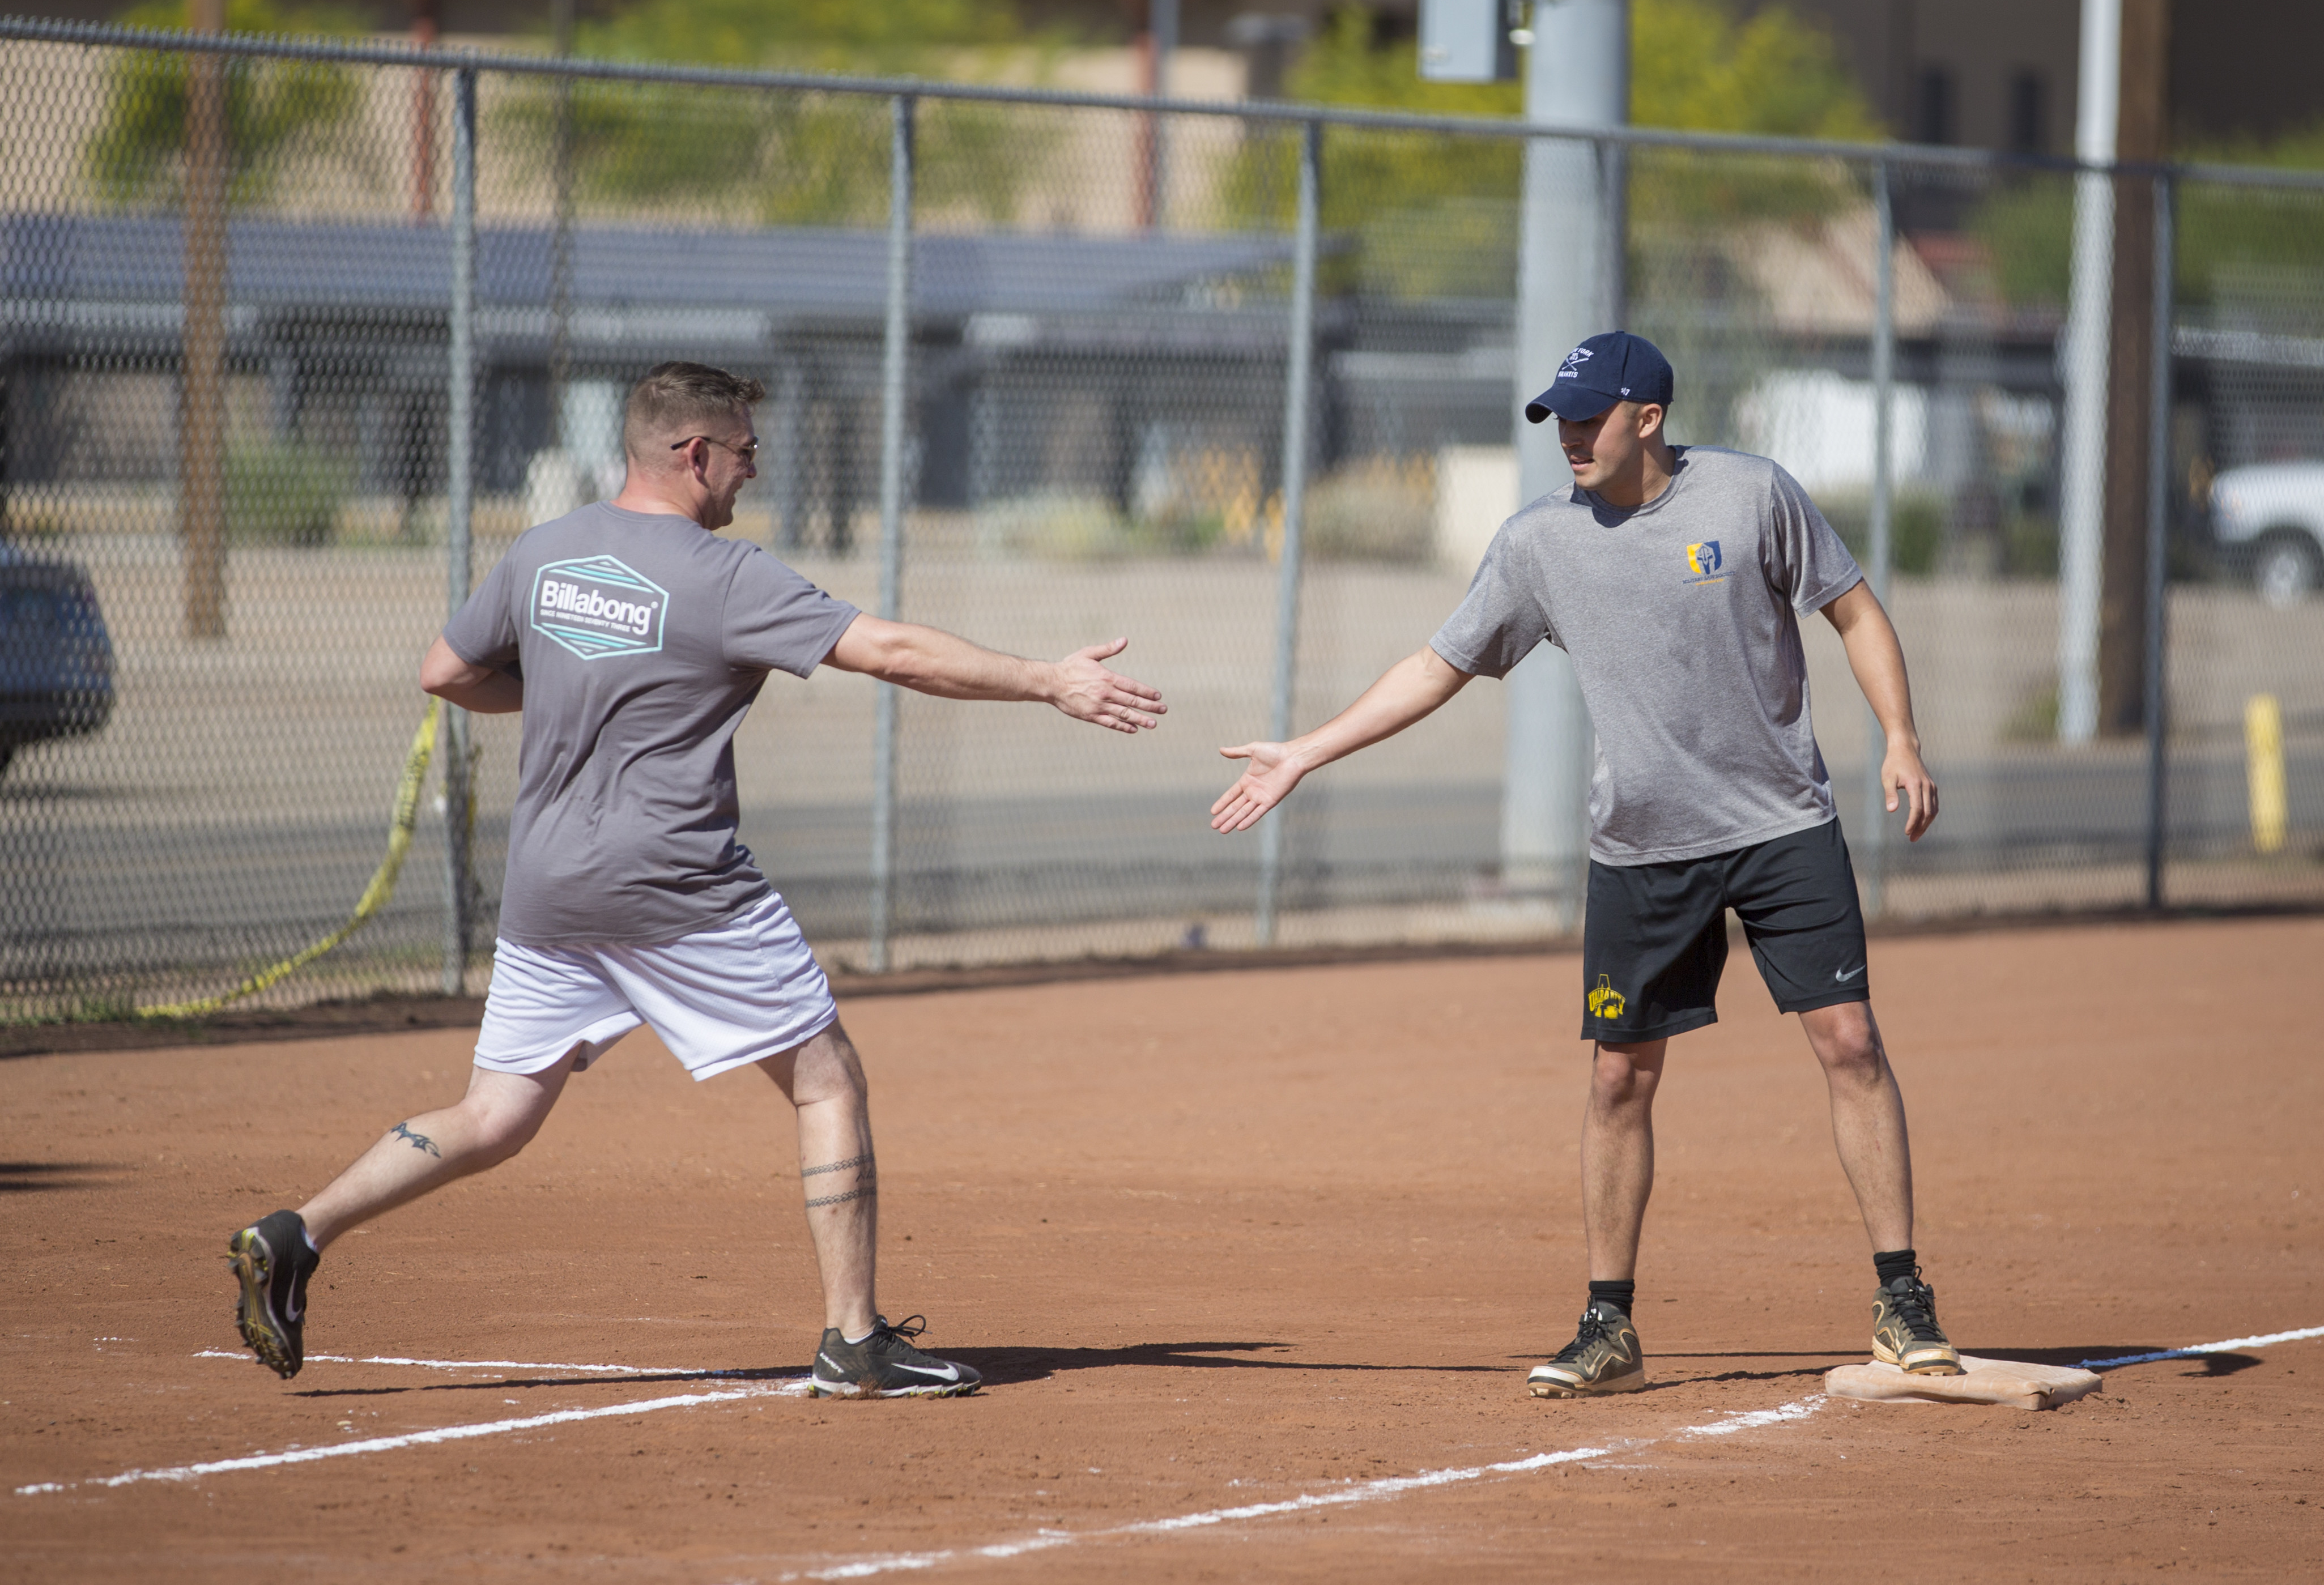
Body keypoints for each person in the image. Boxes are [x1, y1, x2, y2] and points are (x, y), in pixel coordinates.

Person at [229, 361, 1166, 1398]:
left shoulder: (543, 553)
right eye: (744, 454)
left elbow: (445, 674)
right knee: (826, 1079)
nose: (749, 476)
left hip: (549, 889)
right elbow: (892, 651)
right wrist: (1049, 681)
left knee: (495, 1115)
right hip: (676, 885)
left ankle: (299, 1230)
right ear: (692, 454)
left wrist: (563, 696)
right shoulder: (723, 575)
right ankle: (853, 1341)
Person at [1211, 332, 1959, 1398]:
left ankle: (1901, 1299)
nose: (1568, 434)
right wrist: (1304, 751)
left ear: (1645, 418)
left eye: (1587, 415)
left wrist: (1900, 736)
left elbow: (1851, 608)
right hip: (1642, 846)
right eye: (1556, 417)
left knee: (1849, 1043)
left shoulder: (1752, 497)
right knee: (1618, 1077)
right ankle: (1607, 1324)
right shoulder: (1537, 546)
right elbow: (1437, 666)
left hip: (1780, 825)